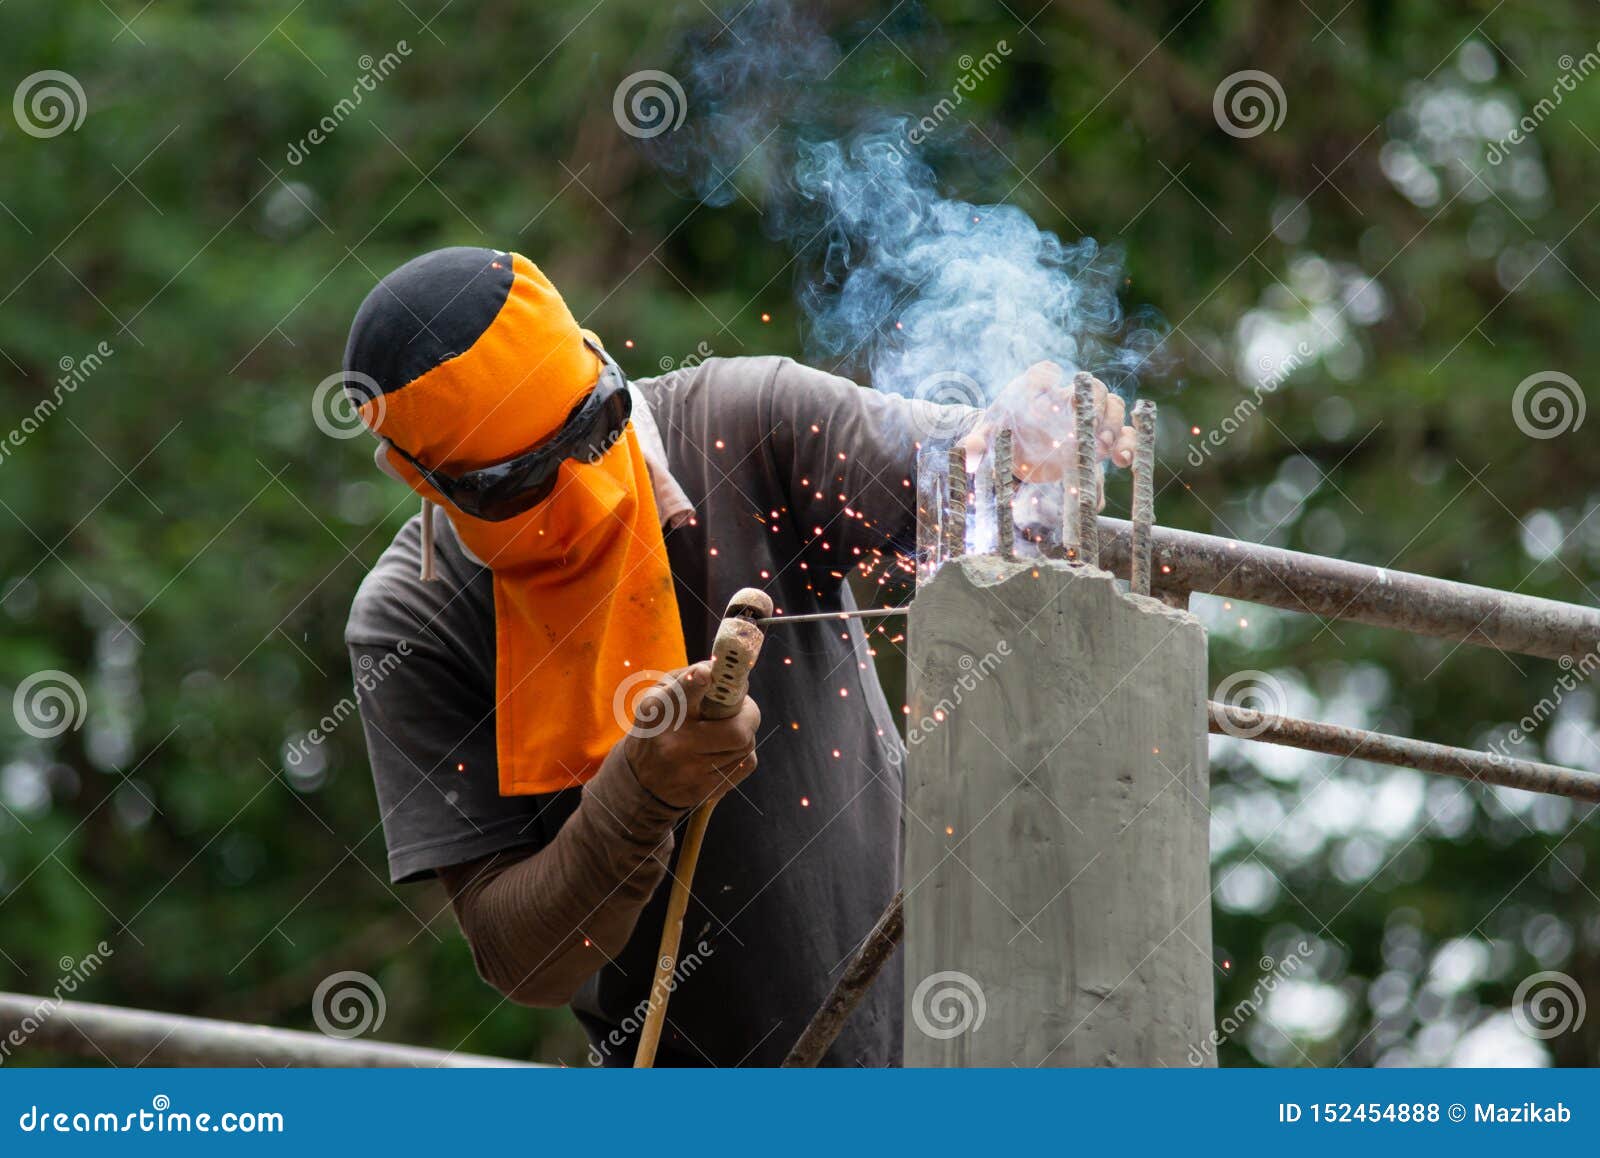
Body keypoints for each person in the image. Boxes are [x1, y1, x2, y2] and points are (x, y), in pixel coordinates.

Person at [342, 245, 1134, 1066]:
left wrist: (1013, 448)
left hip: (942, 1045)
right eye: (518, 481)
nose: (589, 488)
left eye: (594, 427)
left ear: (600, 361)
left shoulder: (744, 421)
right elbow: (522, 960)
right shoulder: (414, 623)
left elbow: (961, 473)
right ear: (423, 480)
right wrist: (636, 800)